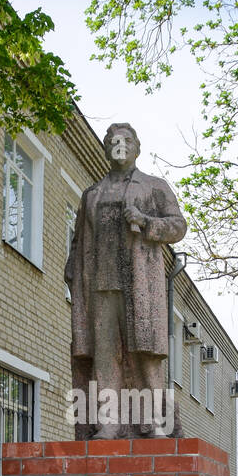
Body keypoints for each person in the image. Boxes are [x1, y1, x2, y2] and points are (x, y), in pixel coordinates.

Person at [65, 123, 186, 438]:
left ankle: (157, 425)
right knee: (105, 356)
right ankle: (108, 424)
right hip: (99, 286)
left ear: (137, 148)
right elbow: (78, 242)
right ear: (106, 148)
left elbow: (178, 226)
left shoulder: (153, 186)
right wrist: (72, 274)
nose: (120, 145)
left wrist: (146, 223)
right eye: (113, 141)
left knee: (145, 355)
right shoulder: (91, 194)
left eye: (126, 140)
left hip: (140, 286)